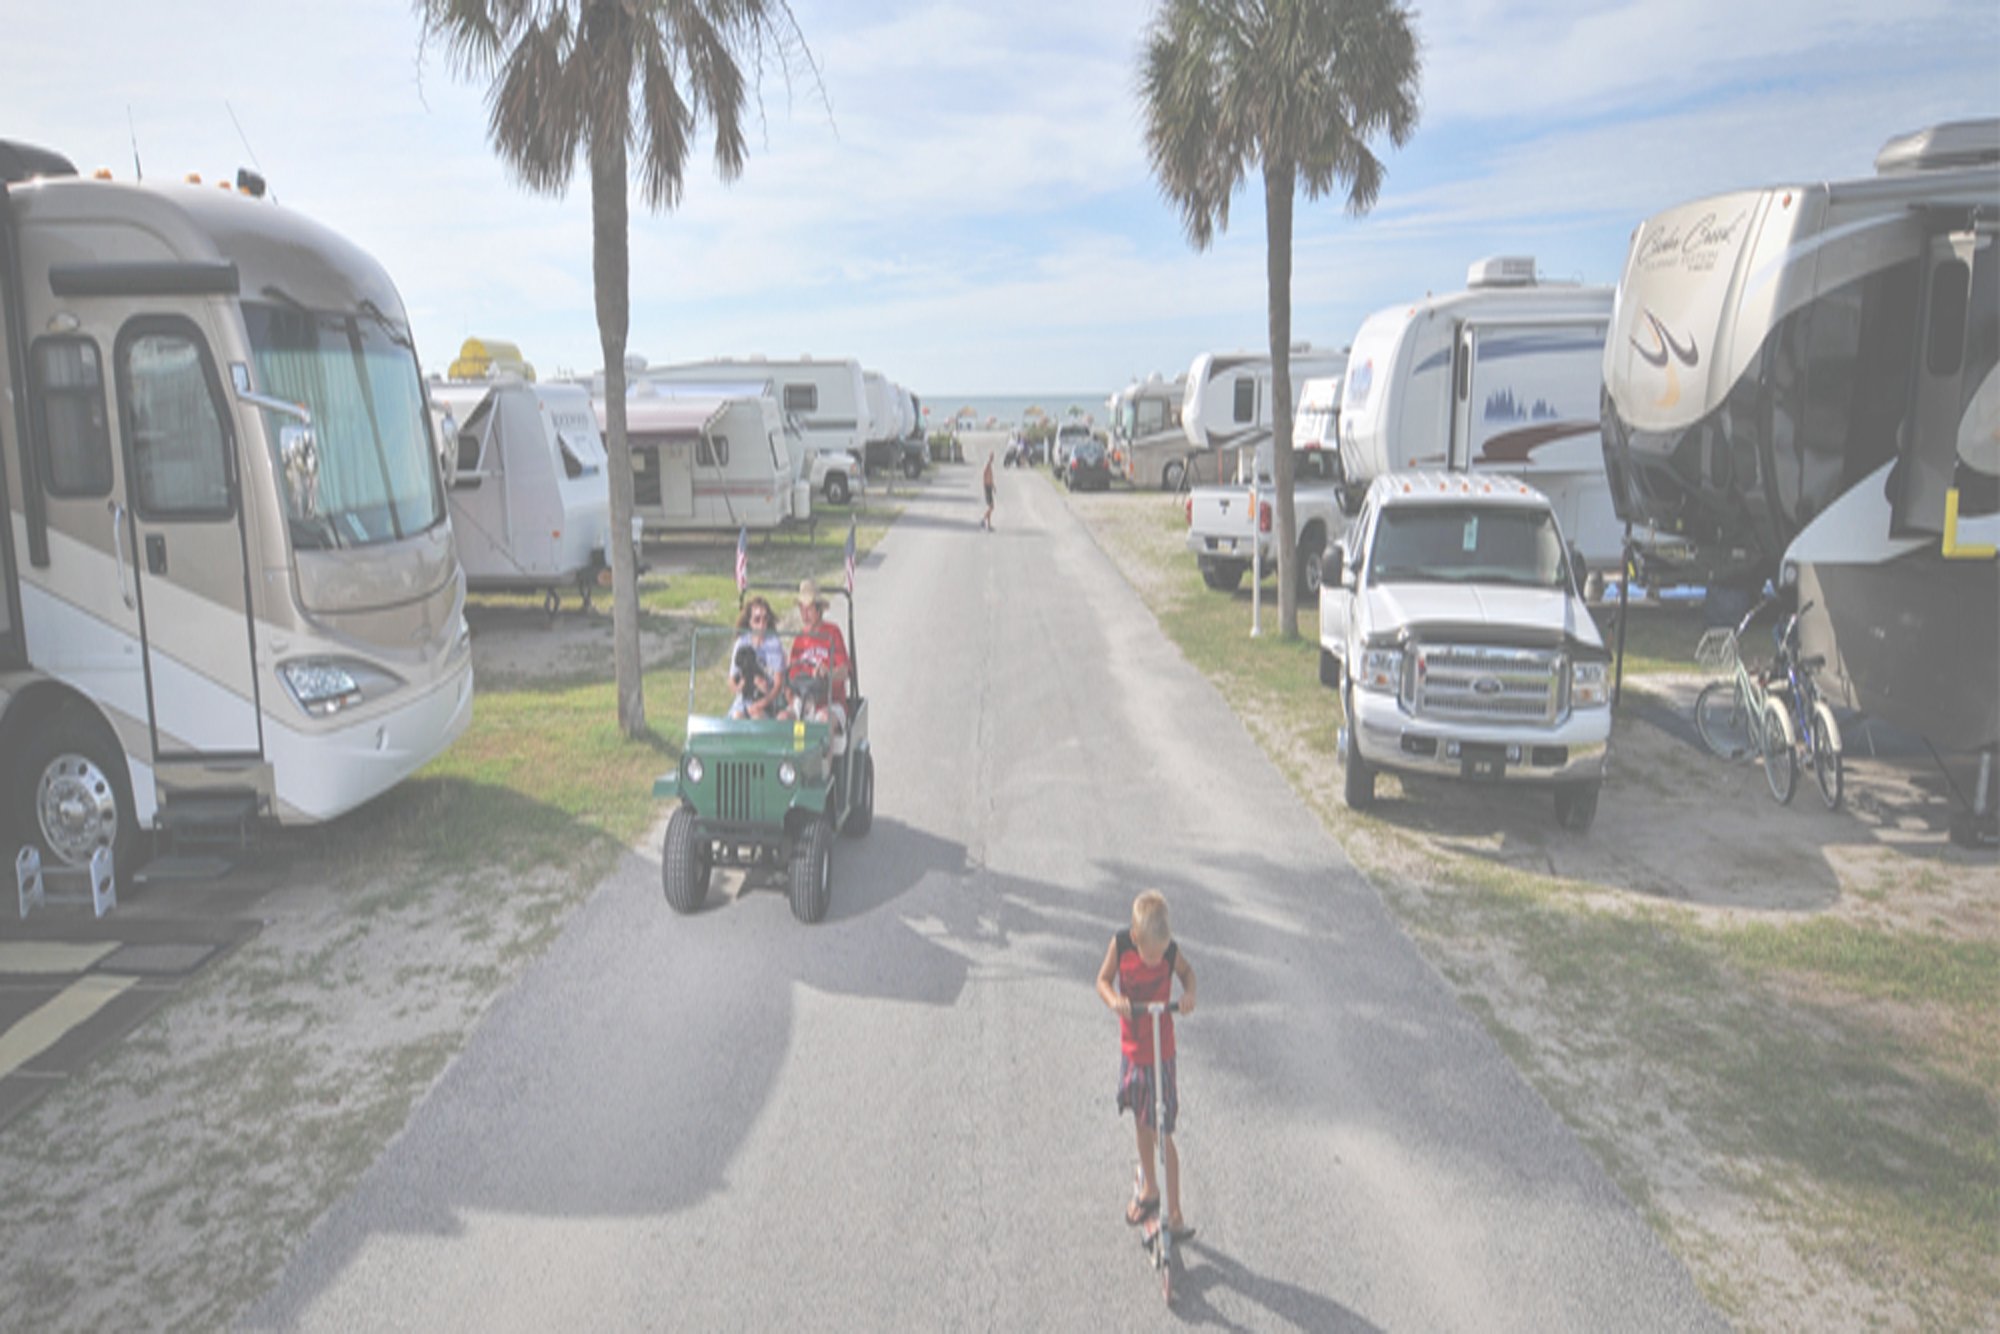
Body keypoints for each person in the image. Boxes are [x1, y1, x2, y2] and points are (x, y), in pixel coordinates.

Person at [1095, 889, 1197, 1244]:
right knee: (1143, 1120)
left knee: (1164, 1128)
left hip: (1162, 1050)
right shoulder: (1121, 945)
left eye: (1160, 957)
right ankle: (1150, 1189)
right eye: (1149, 956)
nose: (1156, 963)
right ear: (1136, 938)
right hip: (1135, 1049)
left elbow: (1187, 974)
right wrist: (1115, 1000)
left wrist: (1187, 997)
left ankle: (1176, 1210)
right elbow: (1102, 981)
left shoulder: (1168, 952)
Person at [787, 578, 851, 720]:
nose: (805, 615)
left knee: (823, 720)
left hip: (831, 702)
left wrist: (828, 673)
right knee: (783, 718)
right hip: (805, 700)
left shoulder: (832, 633)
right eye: (801, 609)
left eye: (809, 609)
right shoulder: (799, 639)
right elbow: (791, 675)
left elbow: (844, 670)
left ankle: (829, 740)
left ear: (819, 609)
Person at [728, 596, 787, 719]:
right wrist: (740, 686)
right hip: (744, 699)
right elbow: (732, 680)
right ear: (749, 622)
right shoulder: (742, 643)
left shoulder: (774, 644)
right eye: (757, 619)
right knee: (737, 716)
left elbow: (777, 685)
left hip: (767, 700)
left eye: (765, 619)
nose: (762, 624)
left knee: (757, 717)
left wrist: (761, 703)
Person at [982, 452, 996, 531]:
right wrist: (986, 485)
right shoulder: (987, 465)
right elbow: (984, 474)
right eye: (992, 456)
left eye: (993, 457)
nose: (993, 458)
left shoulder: (990, 465)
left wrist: (993, 486)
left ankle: (989, 525)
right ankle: (983, 520)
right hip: (987, 487)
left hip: (989, 487)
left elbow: (990, 477)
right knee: (991, 507)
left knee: (990, 506)